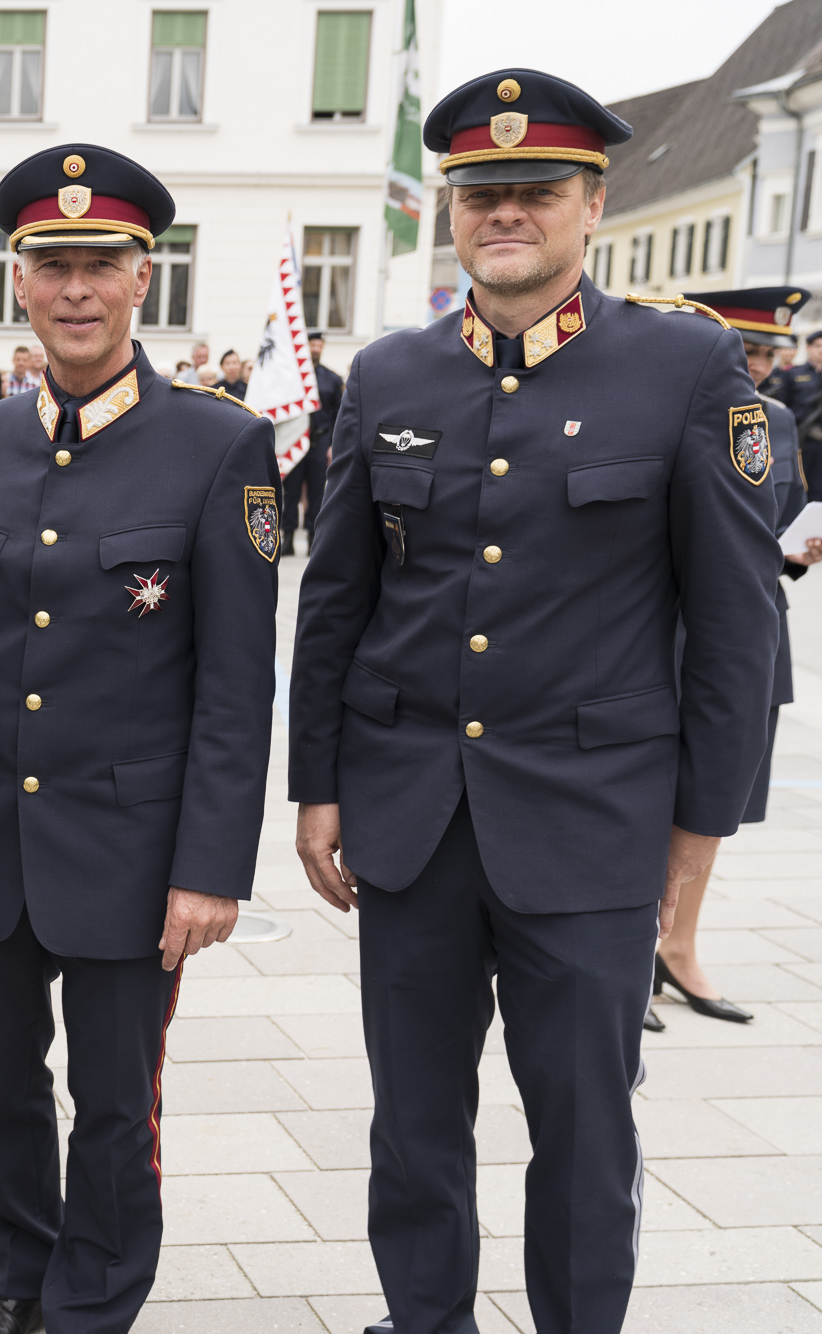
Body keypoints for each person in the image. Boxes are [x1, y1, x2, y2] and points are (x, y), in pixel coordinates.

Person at [290, 72, 781, 1334]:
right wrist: (318, 789)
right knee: (410, 1124)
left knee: (579, 1129)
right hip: (409, 820)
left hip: (590, 823)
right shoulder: (388, 373)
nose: (504, 211)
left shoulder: (681, 364)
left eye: (534, 192)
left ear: (590, 205)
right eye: (480, 193)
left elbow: (733, 621)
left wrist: (696, 836)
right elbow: (335, 597)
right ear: (453, 212)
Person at [0, 143, 280, 1334]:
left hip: (127, 845)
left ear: (139, 278)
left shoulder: (217, 446)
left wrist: (210, 865)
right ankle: (20, 1279)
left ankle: (96, 1300)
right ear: (17, 280)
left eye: (97, 264)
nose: (73, 288)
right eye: (49, 264)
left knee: (115, 1099)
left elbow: (235, 680)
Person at [652, 286, 822, 1032]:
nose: (752, 367)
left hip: (749, 631)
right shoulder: (653, 400)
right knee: (645, 791)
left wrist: (798, 553)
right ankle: (630, 951)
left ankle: (679, 948)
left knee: (715, 800)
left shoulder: (775, 420)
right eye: (744, 350)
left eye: (763, 356)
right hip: (660, 631)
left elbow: (769, 523)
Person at [281, 332, 345, 551]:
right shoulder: (291, 376)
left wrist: (333, 444)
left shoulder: (332, 379)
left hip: (320, 441)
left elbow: (339, 414)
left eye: (319, 345)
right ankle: (287, 535)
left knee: (318, 491)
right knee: (291, 489)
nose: (316, 348)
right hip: (296, 440)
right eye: (312, 344)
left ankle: (312, 536)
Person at [764, 328, 822, 498]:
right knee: (802, 486)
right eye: (817, 346)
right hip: (803, 440)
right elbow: (782, 406)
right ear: (808, 348)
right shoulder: (793, 374)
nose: (821, 350)